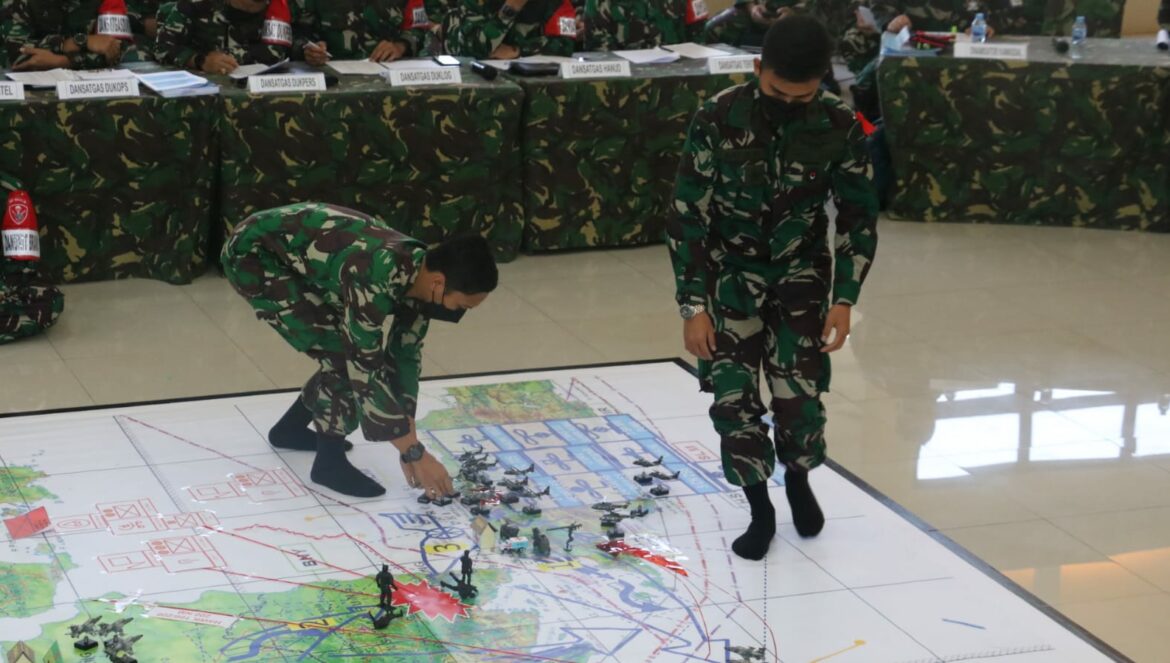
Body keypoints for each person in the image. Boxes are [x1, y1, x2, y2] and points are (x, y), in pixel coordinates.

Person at [667, 15, 878, 561]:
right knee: (734, 400)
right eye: (777, 93)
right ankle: (760, 506)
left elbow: (857, 215)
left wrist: (845, 298)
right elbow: (688, 215)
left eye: (802, 97)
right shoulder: (718, 116)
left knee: (799, 398)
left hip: (801, 279)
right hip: (729, 279)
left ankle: (799, 480)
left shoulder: (837, 122)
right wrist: (693, 305)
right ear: (757, 69)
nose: (789, 104)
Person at [222, 202, 498, 499]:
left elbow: (405, 356)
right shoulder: (376, 274)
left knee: (345, 350)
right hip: (254, 254)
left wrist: (410, 446)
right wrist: (415, 453)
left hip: (304, 259)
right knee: (341, 357)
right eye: (461, 306)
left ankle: (289, 430)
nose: (458, 314)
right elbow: (363, 367)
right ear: (439, 283)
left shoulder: (421, 274)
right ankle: (328, 465)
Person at [154, 0, 296, 75]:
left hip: (253, 89)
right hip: (202, 88)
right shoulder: (195, 5)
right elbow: (162, 48)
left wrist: (308, 50)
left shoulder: (277, 6)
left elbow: (278, 52)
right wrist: (201, 61)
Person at [293, 0, 433, 66]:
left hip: (390, 77)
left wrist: (400, 46)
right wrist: (307, 49)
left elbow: (418, 28)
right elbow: (295, 32)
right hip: (330, 80)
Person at [6, 0, 125, 70]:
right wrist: (75, 43)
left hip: (89, 90)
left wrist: (63, 62)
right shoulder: (18, 3)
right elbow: (16, 54)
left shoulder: (110, 1)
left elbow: (115, 50)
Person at [442, 0, 582, 59]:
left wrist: (517, 51)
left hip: (528, 78)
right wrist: (512, 7)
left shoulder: (558, 2)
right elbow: (475, 48)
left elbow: (566, 44)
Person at [582, 0, 707, 51]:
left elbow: (699, 39)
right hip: (625, 84)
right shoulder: (598, 3)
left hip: (680, 77)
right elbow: (599, 53)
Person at [703, 0, 792, 48]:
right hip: (755, 10)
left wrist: (794, 18)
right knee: (711, 29)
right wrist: (751, 7)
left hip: (794, 18)